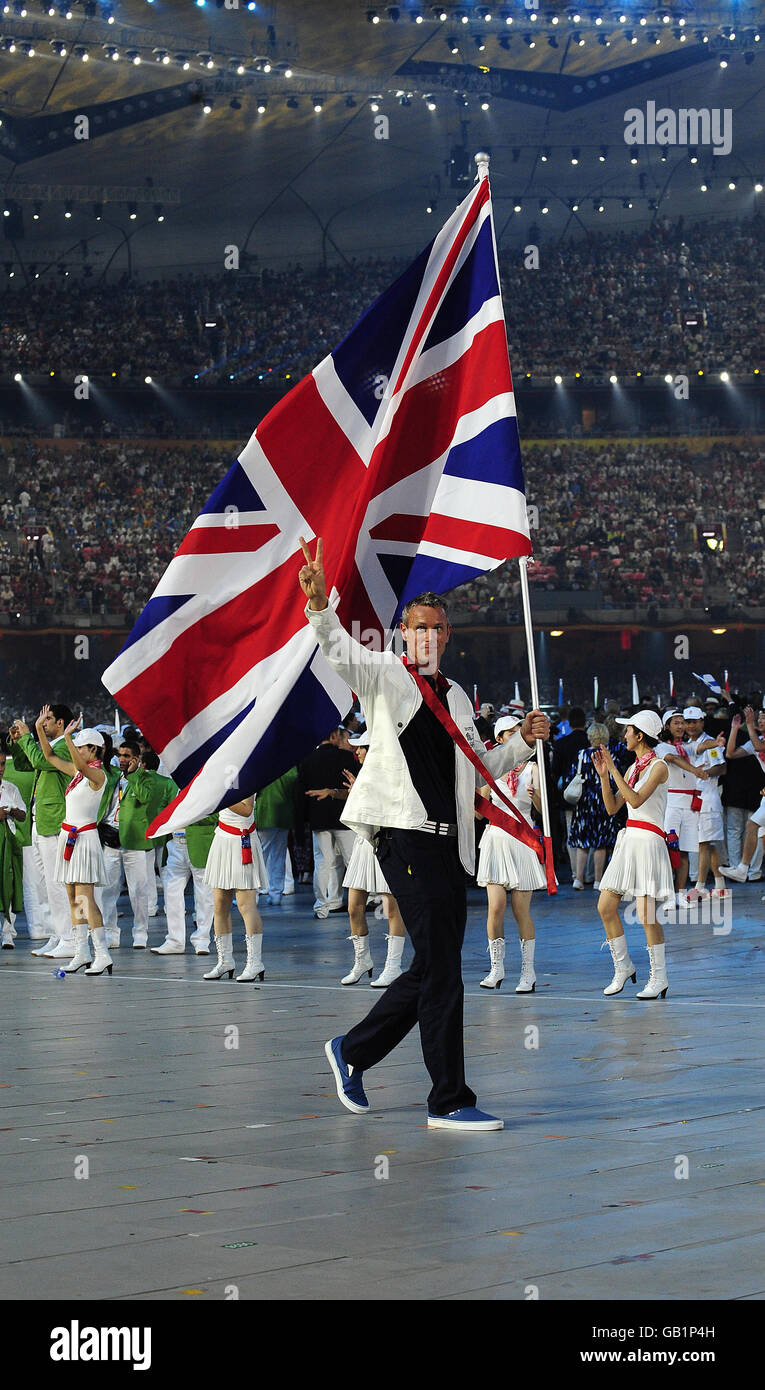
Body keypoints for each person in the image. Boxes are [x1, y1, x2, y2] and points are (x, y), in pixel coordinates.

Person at [299, 536, 550, 1132]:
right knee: (441, 969)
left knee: (434, 966)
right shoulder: (387, 676)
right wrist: (318, 607)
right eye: (417, 626)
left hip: (447, 841)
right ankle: (448, 1099)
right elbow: (340, 652)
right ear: (401, 634)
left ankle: (353, 1051)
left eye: (437, 627)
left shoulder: (457, 696)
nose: (427, 636)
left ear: (448, 635)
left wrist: (523, 740)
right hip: (403, 834)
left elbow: (480, 770)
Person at [593, 710, 674, 1000]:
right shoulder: (632, 769)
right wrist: (605, 777)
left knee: (646, 914)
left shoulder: (659, 767)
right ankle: (623, 966)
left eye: (628, 730)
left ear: (640, 735)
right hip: (628, 840)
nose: (624, 734)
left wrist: (614, 770)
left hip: (649, 840)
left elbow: (637, 800)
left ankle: (659, 977)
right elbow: (614, 807)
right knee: (605, 905)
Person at [35, 711, 110, 976]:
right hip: (70, 837)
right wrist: (39, 730)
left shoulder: (97, 776)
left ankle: (102, 953)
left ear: (94, 750)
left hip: (84, 838)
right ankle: (82, 951)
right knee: (72, 896)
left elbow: (79, 765)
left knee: (85, 897)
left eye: (81, 748)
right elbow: (50, 757)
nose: (76, 752)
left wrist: (67, 737)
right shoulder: (80, 775)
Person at [476, 714, 546, 992]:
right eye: (511, 732)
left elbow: (543, 811)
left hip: (522, 839)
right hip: (495, 838)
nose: (517, 734)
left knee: (520, 911)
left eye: (519, 729)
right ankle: (496, 968)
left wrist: (536, 796)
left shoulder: (534, 768)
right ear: (500, 740)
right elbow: (479, 811)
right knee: (495, 907)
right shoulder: (490, 769)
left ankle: (528, 972)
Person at [337, 737, 406, 989]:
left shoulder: (390, 772)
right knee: (353, 906)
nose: (357, 751)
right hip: (362, 845)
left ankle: (393, 965)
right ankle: (362, 960)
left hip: (385, 843)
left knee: (391, 908)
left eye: (361, 747)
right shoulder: (363, 773)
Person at [9, 703, 75, 958]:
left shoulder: (62, 747)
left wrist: (29, 734)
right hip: (42, 819)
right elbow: (28, 765)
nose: (43, 723)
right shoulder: (51, 746)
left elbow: (39, 759)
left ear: (60, 723)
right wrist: (19, 742)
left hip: (55, 820)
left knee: (58, 884)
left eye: (46, 720)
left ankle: (69, 938)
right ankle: (57, 935)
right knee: (47, 884)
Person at [202, 794, 269, 981]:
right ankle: (225, 961)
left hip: (242, 838)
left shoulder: (247, 773)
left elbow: (247, 809)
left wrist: (221, 795)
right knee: (219, 905)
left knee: (245, 905)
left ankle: (255, 963)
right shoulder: (221, 775)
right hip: (222, 838)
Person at [99, 740, 155, 949]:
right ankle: (110, 933)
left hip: (134, 842)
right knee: (108, 890)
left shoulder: (146, 778)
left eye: (126, 756)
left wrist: (134, 775)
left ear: (136, 759)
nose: (121, 759)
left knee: (138, 891)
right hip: (111, 838)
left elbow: (145, 797)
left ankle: (140, 934)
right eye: (119, 755)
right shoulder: (112, 775)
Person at [298, 729, 357, 918]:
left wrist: (303, 820)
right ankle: (359, 902)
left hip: (319, 818)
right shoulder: (347, 758)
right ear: (333, 736)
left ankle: (322, 906)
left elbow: (300, 793)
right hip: (344, 817)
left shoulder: (307, 759)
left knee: (323, 863)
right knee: (352, 861)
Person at [656, 708, 706, 908]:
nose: (680, 726)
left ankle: (680, 894)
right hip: (671, 804)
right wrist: (694, 769)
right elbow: (673, 760)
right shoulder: (661, 747)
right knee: (670, 851)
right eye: (676, 722)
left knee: (685, 852)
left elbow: (703, 747)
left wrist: (717, 743)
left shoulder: (688, 746)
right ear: (667, 726)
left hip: (690, 805)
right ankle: (668, 895)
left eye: (682, 722)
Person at [151, 809, 217, 955]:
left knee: (205, 896)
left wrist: (187, 815)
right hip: (175, 844)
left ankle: (202, 940)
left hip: (201, 844)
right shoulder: (173, 785)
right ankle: (174, 941)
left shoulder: (207, 786)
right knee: (171, 894)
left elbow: (215, 815)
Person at [721, 708, 765, 883]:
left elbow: (758, 747)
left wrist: (749, 724)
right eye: (759, 719)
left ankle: (743, 868)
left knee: (752, 824)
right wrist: (735, 728)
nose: (760, 722)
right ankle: (743, 868)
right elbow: (730, 753)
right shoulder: (758, 739)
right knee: (761, 834)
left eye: (763, 719)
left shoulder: (758, 742)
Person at [256, 766, 299, 907]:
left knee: (259, 856)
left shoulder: (264, 765)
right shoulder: (290, 766)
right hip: (284, 814)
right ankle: (276, 894)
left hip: (265, 812)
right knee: (279, 856)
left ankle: (252, 894)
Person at [0, 745, 27, 946]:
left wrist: (14, 812)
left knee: (9, 886)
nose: (1, 768)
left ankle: (8, 933)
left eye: (2, 764)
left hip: (9, 841)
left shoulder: (10, 788)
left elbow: (24, 814)